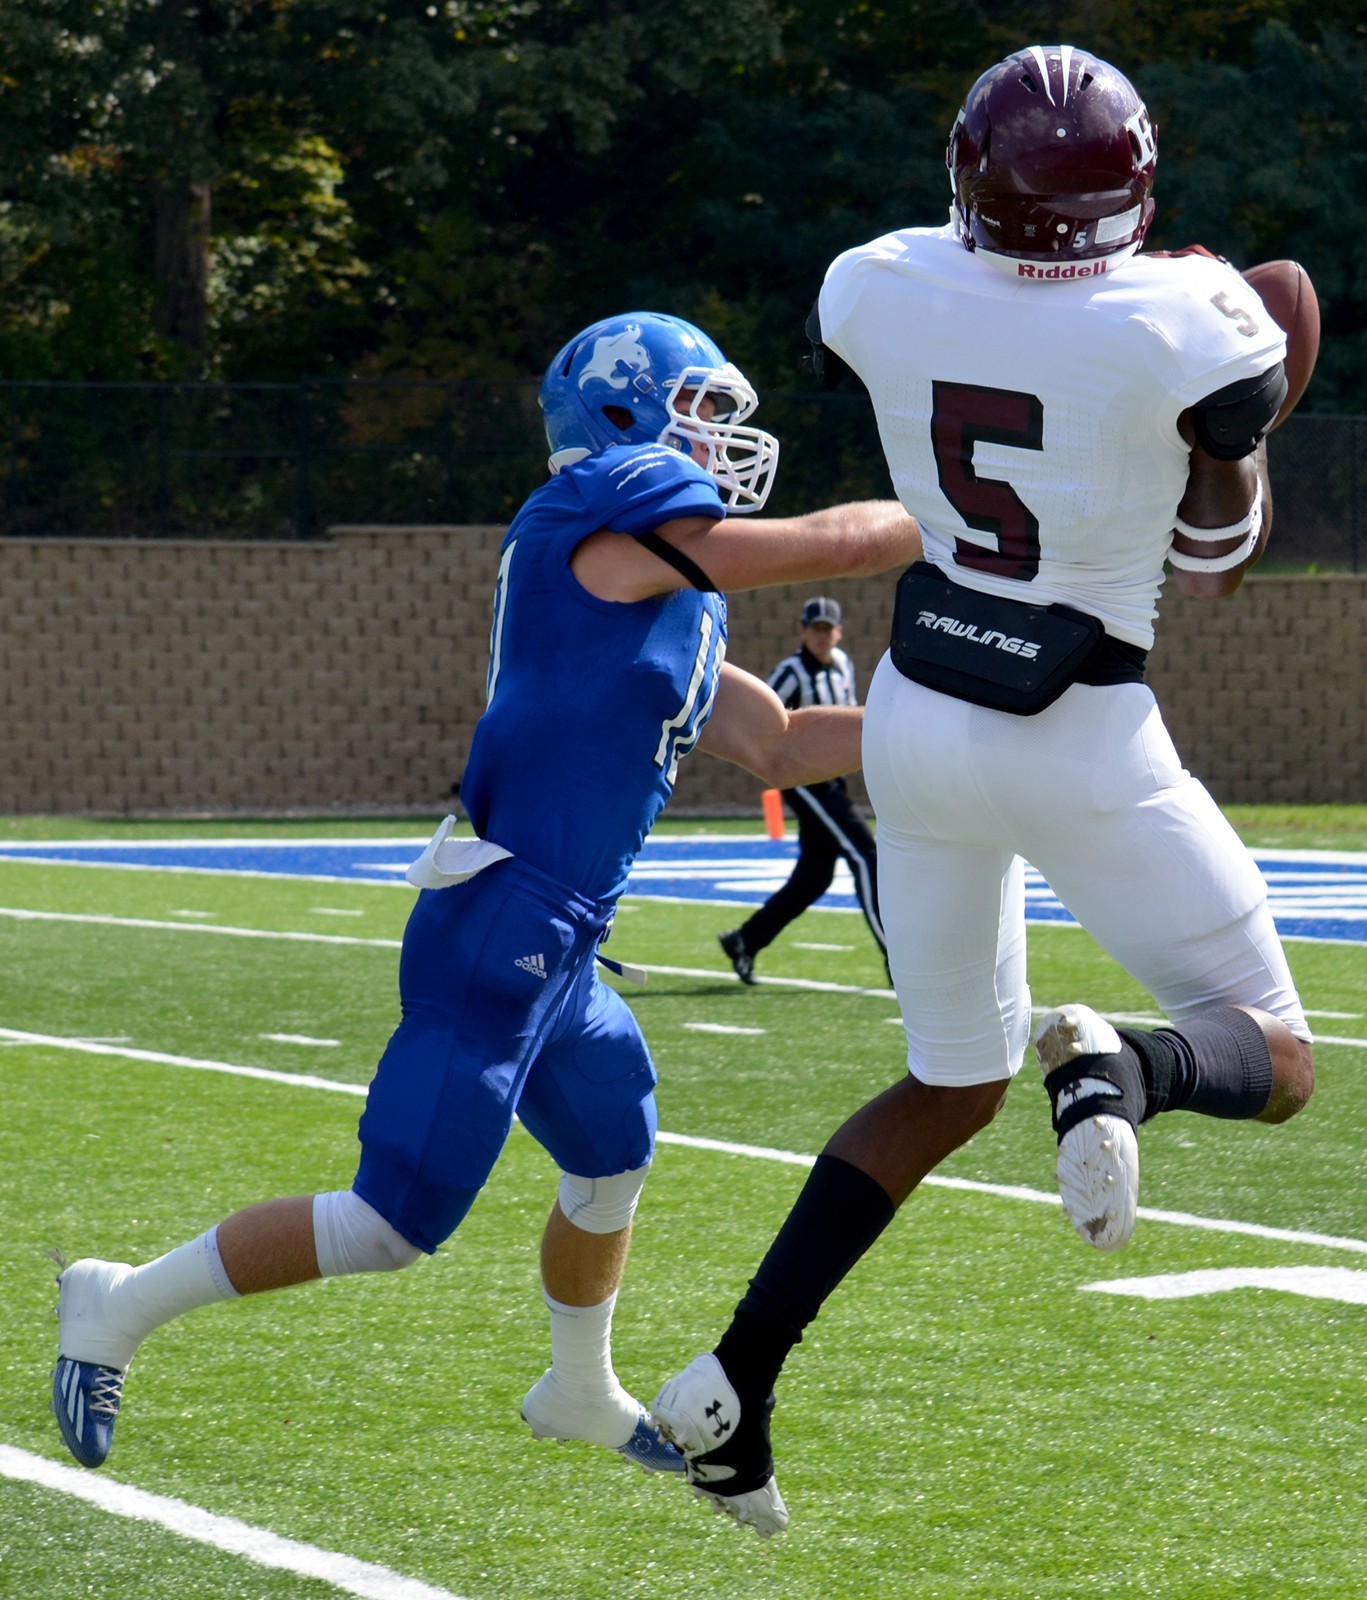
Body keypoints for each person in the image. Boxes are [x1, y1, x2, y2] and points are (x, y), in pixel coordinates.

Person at [50, 310, 921, 1475]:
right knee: (390, 1221)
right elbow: (838, 543)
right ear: (624, 416)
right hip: (501, 918)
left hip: (565, 941)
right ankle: (119, 1301)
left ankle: (576, 1382)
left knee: (612, 1152)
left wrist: (953, 737)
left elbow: (777, 745)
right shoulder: (602, 505)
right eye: (700, 410)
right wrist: (973, 523)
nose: (719, 439)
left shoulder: (667, 594)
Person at [651, 44, 1316, 1537]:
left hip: (917, 716)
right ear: (1130, 187)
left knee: (948, 1081)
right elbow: (1211, 561)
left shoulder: (874, 281)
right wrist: (1249, 411)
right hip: (1080, 727)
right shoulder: (1185, 317)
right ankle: (1121, 1069)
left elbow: (976, 326)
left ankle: (733, 1384)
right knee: (1272, 1058)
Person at [719, 596, 886, 983]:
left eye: (829, 630)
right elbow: (764, 719)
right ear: (803, 631)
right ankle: (897, 958)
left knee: (815, 876)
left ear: (839, 632)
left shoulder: (843, 665)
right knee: (866, 856)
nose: (823, 637)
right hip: (805, 779)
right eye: (816, 629)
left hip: (832, 779)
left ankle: (746, 940)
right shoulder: (791, 672)